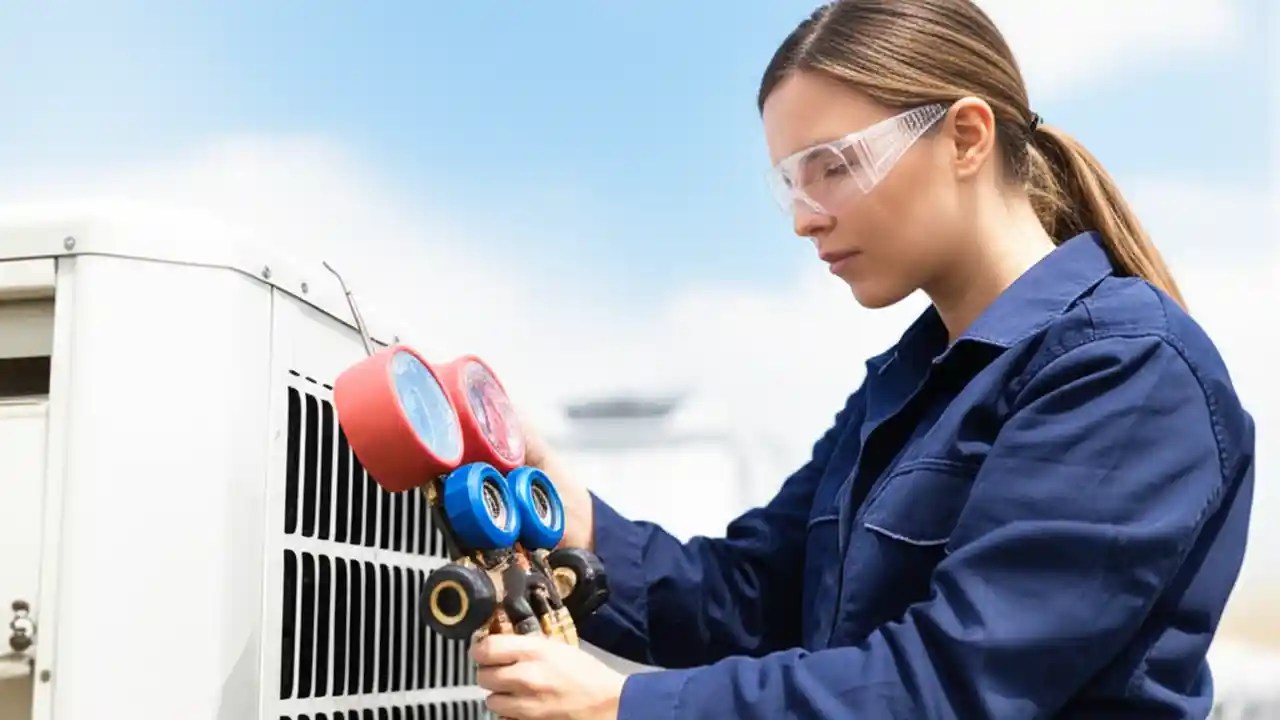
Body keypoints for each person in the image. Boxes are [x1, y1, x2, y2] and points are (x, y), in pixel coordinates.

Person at [471, 0, 1257, 717]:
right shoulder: (900, 389)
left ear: (967, 136)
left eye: (836, 165)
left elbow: (955, 682)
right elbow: (751, 602)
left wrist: (626, 708)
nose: (805, 221)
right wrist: (576, 524)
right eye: (790, 183)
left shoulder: (1125, 371)